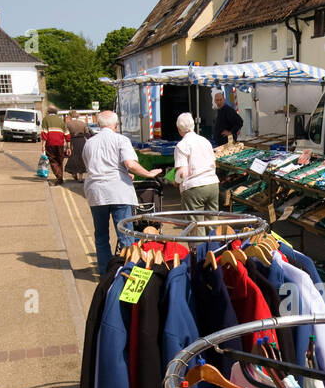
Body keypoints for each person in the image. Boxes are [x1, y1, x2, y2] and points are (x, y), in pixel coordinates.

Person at [82, 110, 162, 275]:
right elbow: (129, 163)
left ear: (98, 124)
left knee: (101, 235)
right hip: (118, 191)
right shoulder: (121, 140)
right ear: (116, 125)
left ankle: (106, 272)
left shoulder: (89, 143)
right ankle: (128, 269)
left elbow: (90, 166)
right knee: (125, 232)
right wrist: (148, 173)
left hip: (96, 192)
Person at [173, 112, 220, 211]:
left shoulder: (181, 145)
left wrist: (176, 182)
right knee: (212, 223)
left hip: (194, 186)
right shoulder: (205, 141)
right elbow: (214, 163)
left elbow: (183, 172)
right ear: (193, 125)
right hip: (212, 184)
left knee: (196, 224)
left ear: (179, 129)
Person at [64, 109, 92, 182]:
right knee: (81, 158)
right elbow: (87, 133)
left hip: (72, 141)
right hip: (82, 141)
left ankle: (74, 173)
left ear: (70, 116)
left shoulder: (68, 124)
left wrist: (67, 146)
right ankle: (80, 177)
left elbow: (66, 135)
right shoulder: (82, 123)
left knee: (73, 157)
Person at [41, 109, 68, 184]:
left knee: (53, 160)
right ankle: (60, 177)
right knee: (60, 160)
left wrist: (43, 145)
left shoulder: (46, 119)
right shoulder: (61, 120)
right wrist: (68, 145)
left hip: (50, 143)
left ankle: (59, 177)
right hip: (60, 143)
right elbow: (66, 133)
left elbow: (44, 133)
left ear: (48, 112)